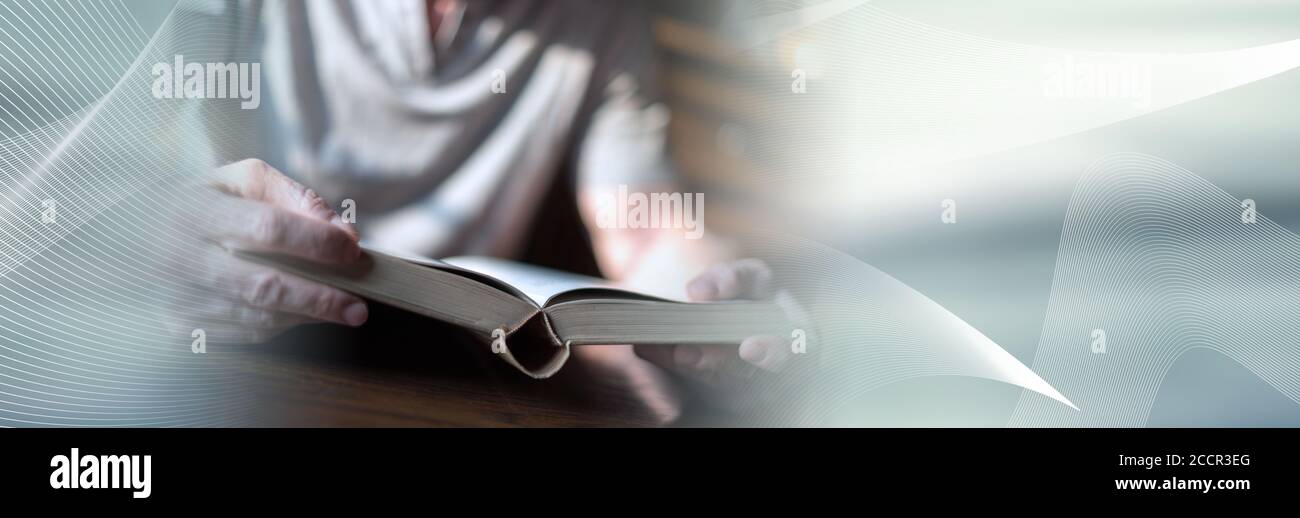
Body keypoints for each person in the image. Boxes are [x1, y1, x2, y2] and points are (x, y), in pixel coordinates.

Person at [185, 0, 789, 395]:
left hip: (456, 378)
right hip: (247, 367)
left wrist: (715, 300)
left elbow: (645, 229)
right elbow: (116, 162)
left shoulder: (604, 20)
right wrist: (151, 230)